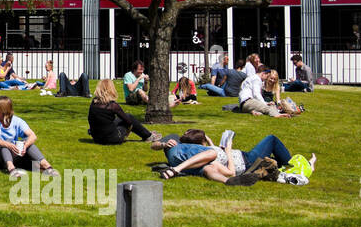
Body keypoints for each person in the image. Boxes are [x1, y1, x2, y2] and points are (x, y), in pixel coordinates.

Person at [159, 129, 302, 184]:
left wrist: (209, 141)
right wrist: (228, 150)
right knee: (271, 139)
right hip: (246, 160)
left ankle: (284, 164)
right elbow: (230, 171)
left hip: (243, 159)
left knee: (271, 156)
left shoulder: (202, 155)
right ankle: (288, 163)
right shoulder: (210, 158)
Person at [0, 96, 57, 180]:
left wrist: (25, 145)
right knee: (5, 145)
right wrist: (9, 145)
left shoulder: (17, 121)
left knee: (27, 142)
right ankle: (11, 169)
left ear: (4, 109)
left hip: (11, 155)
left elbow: (33, 136)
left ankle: (47, 166)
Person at [88, 79, 155, 145]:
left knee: (119, 120)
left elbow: (90, 119)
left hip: (97, 138)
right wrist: (128, 129)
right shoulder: (112, 105)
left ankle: (147, 133)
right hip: (112, 138)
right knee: (129, 117)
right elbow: (128, 121)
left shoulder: (93, 103)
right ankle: (148, 136)